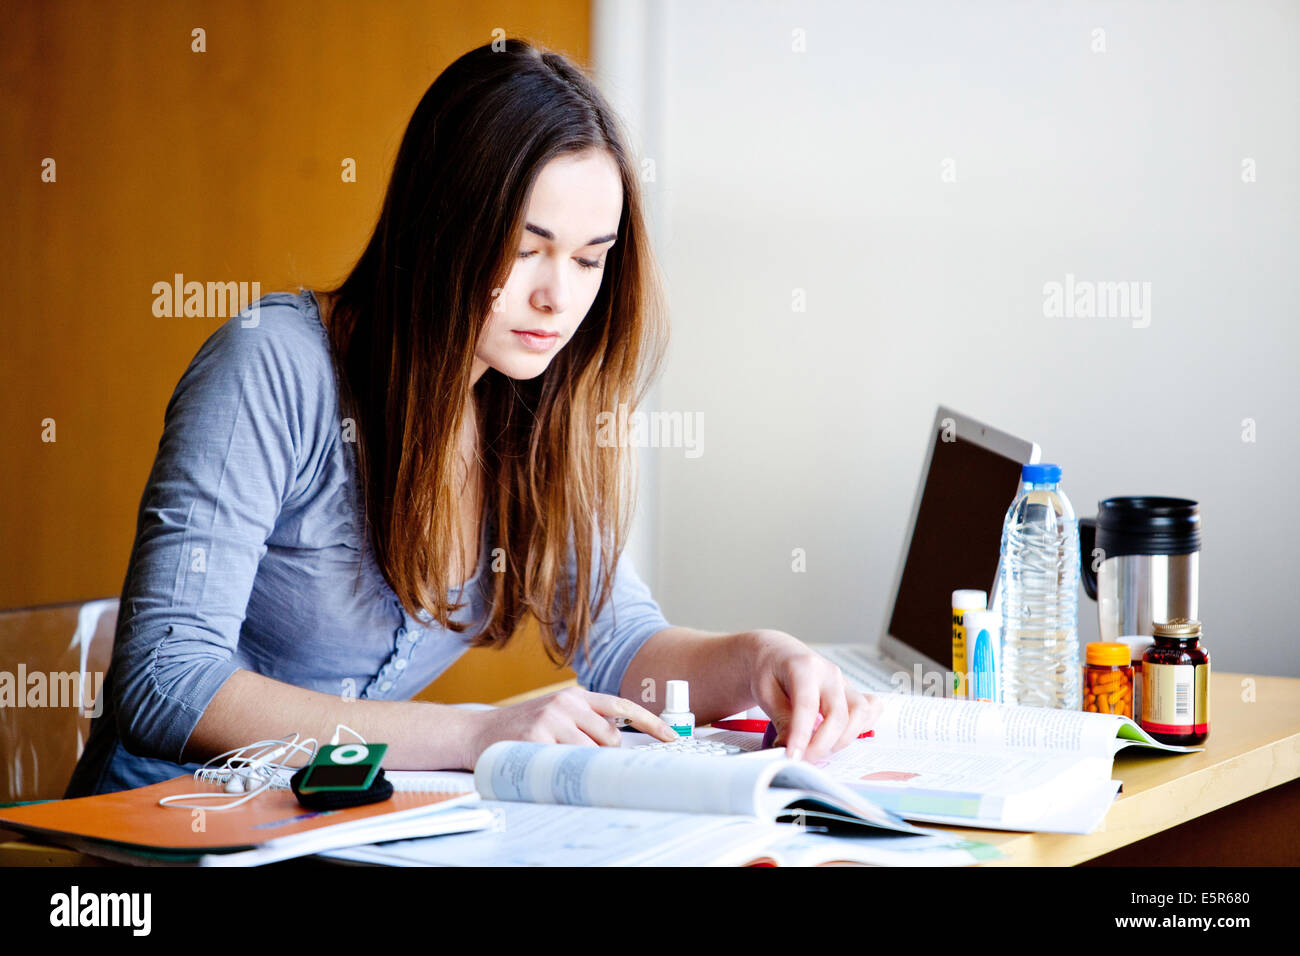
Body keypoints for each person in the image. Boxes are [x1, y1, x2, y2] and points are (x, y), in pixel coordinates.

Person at [66, 37, 878, 797]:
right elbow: (165, 683)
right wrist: (473, 732)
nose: (559, 296)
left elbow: (622, 644)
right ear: (443, 225)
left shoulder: (530, 399)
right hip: (161, 833)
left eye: (591, 259)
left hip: (333, 831)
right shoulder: (272, 366)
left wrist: (761, 657)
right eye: (526, 249)